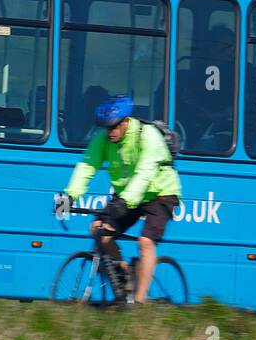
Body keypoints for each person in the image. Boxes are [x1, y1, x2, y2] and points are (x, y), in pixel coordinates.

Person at [60, 95, 182, 303]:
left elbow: (145, 173)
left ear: (126, 121)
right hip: (128, 194)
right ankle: (124, 273)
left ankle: (139, 304)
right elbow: (88, 166)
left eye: (114, 127)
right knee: (100, 231)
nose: (110, 132)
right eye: (106, 128)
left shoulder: (148, 136)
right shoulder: (104, 138)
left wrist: (123, 202)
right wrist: (69, 195)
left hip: (160, 192)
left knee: (145, 242)